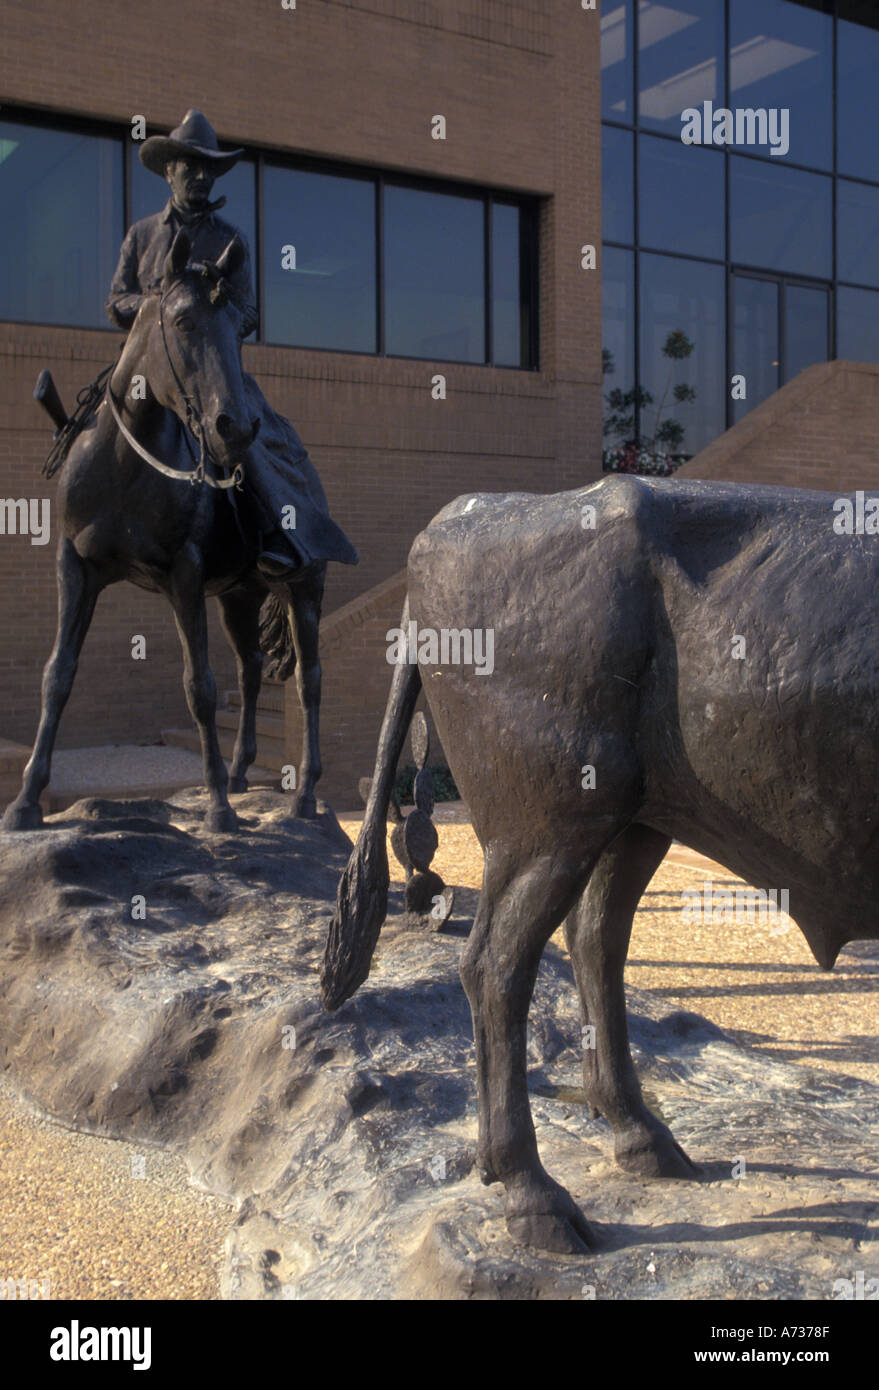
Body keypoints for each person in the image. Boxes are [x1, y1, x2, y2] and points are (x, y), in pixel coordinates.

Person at [106, 110, 356, 577]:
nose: (200, 176)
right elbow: (115, 301)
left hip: (212, 373)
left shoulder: (229, 240)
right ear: (169, 171)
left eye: (208, 169)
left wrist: (217, 309)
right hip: (148, 374)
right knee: (93, 429)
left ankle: (274, 535)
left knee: (251, 441)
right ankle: (91, 520)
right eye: (190, 166)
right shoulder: (142, 235)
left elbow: (251, 315)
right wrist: (163, 307)